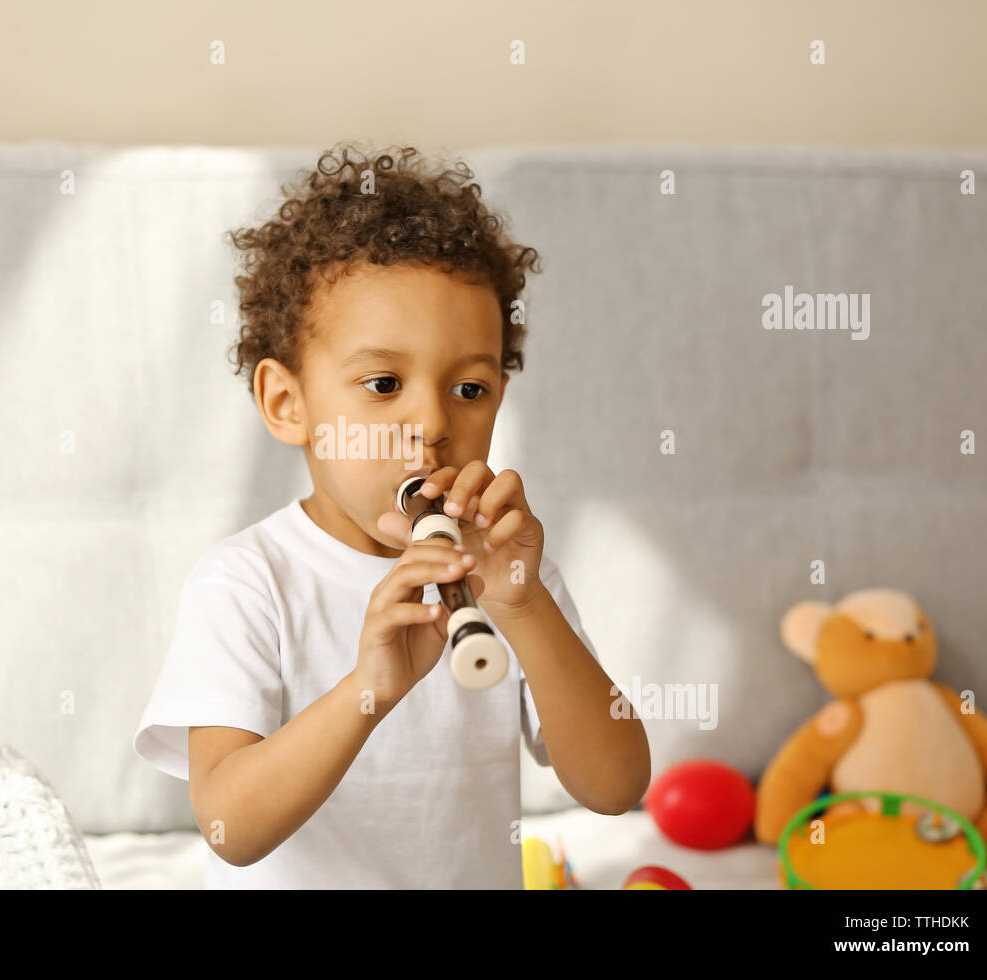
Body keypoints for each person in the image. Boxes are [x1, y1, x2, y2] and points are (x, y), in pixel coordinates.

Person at [133, 141, 650, 888]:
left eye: (469, 389)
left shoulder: (509, 574)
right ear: (289, 404)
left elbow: (616, 785)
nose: (430, 424)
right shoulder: (246, 582)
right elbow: (227, 827)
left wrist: (527, 606)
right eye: (382, 383)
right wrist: (365, 691)